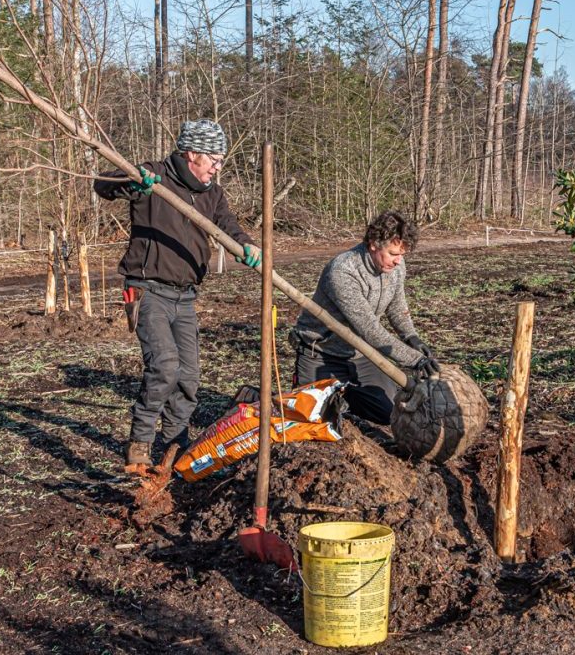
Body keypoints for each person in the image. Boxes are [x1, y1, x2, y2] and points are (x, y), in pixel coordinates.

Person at [94, 118, 260, 473]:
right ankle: (140, 441)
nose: (217, 167)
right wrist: (133, 180)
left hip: (185, 295)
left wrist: (245, 245)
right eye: (213, 159)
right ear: (191, 154)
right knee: (165, 366)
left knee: (188, 377)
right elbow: (103, 184)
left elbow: (228, 225)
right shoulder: (153, 176)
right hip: (147, 289)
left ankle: (175, 443)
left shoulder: (212, 194)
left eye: (219, 160)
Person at [288, 210, 439, 425]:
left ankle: (348, 407)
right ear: (374, 244)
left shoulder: (395, 267)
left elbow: (396, 306)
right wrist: (415, 360)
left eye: (402, 254)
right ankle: (334, 405)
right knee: (310, 424)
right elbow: (368, 329)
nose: (398, 261)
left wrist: (412, 337)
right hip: (321, 354)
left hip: (360, 356)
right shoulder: (343, 271)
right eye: (393, 253)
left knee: (389, 415)